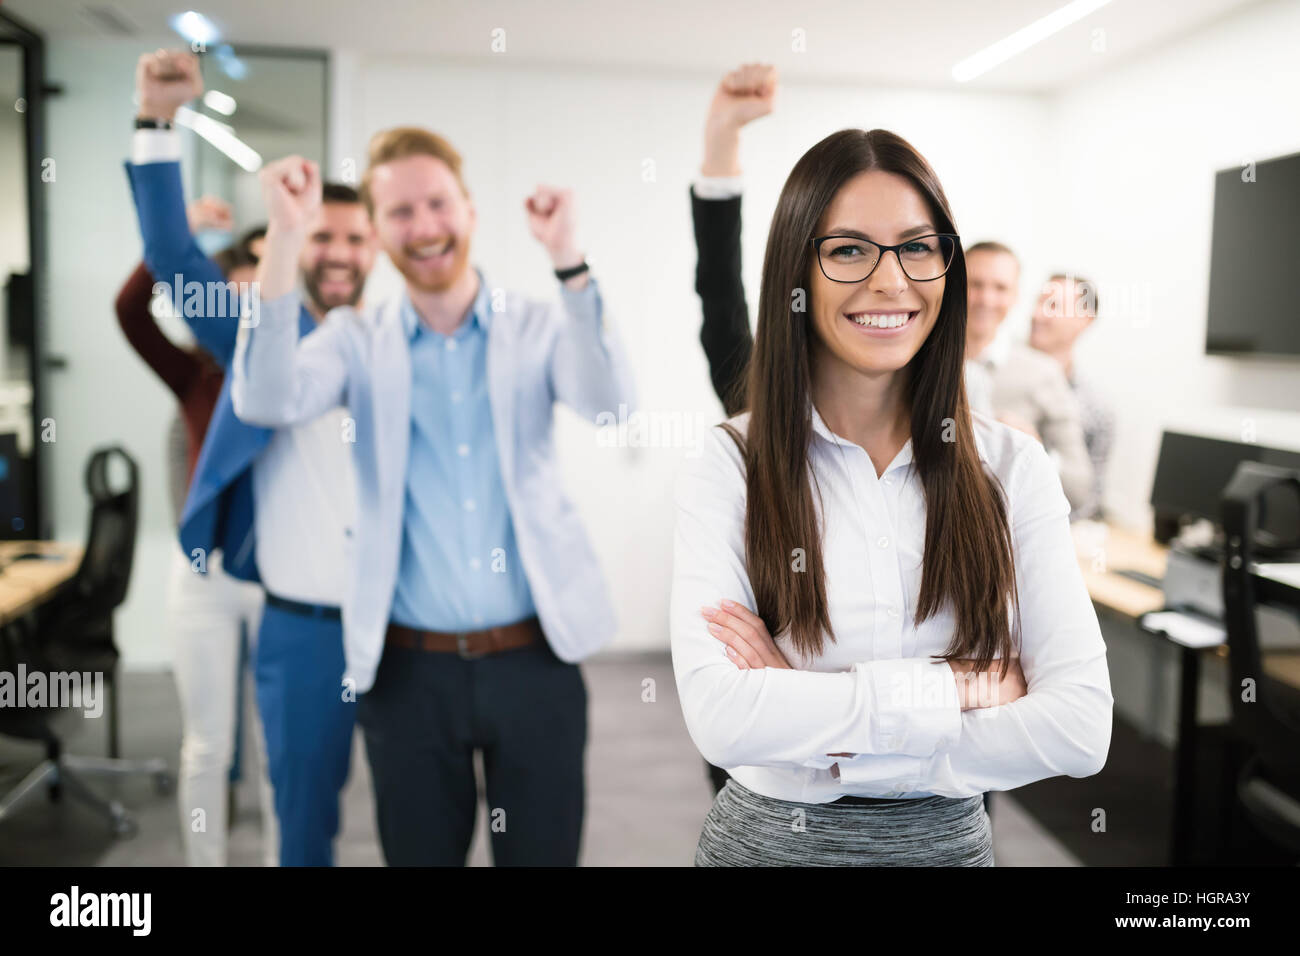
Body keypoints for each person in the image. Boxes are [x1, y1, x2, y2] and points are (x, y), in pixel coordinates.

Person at [671, 127, 1113, 866]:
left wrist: (810, 711)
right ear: (798, 272)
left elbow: (1078, 727)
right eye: (848, 249)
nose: (889, 280)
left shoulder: (1012, 469)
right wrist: (959, 692)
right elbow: (721, 719)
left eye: (917, 246)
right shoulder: (732, 462)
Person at [230, 128, 635, 866]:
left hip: (535, 664)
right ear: (380, 233)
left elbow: (611, 405)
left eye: (436, 204)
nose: (423, 229)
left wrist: (568, 259)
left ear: (470, 211)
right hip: (409, 677)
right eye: (401, 213)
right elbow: (265, 398)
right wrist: (284, 242)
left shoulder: (537, 324)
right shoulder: (355, 340)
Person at [124, 48, 376, 865]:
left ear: (378, 249)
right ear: (296, 243)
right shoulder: (258, 332)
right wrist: (158, 122)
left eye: (355, 237)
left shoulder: (394, 346)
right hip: (242, 582)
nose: (338, 253)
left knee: (310, 783)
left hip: (339, 602)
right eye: (322, 235)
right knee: (240, 765)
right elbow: (172, 258)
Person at [114, 206, 275, 867]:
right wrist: (170, 231)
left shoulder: (302, 374)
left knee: (277, 744)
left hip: (279, 575)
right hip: (204, 575)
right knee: (206, 743)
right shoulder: (195, 373)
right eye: (234, 293)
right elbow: (130, 311)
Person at [963, 241, 1096, 518]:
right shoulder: (919, 359)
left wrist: (1035, 449)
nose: (986, 299)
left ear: (1015, 296)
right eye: (975, 284)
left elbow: (1080, 488)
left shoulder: (1042, 373)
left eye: (1000, 288)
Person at [1029, 274, 1113, 520]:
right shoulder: (991, 372)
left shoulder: (1097, 411)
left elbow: (1089, 503)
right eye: (1038, 302)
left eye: (1052, 305)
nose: (1037, 314)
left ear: (1084, 320)